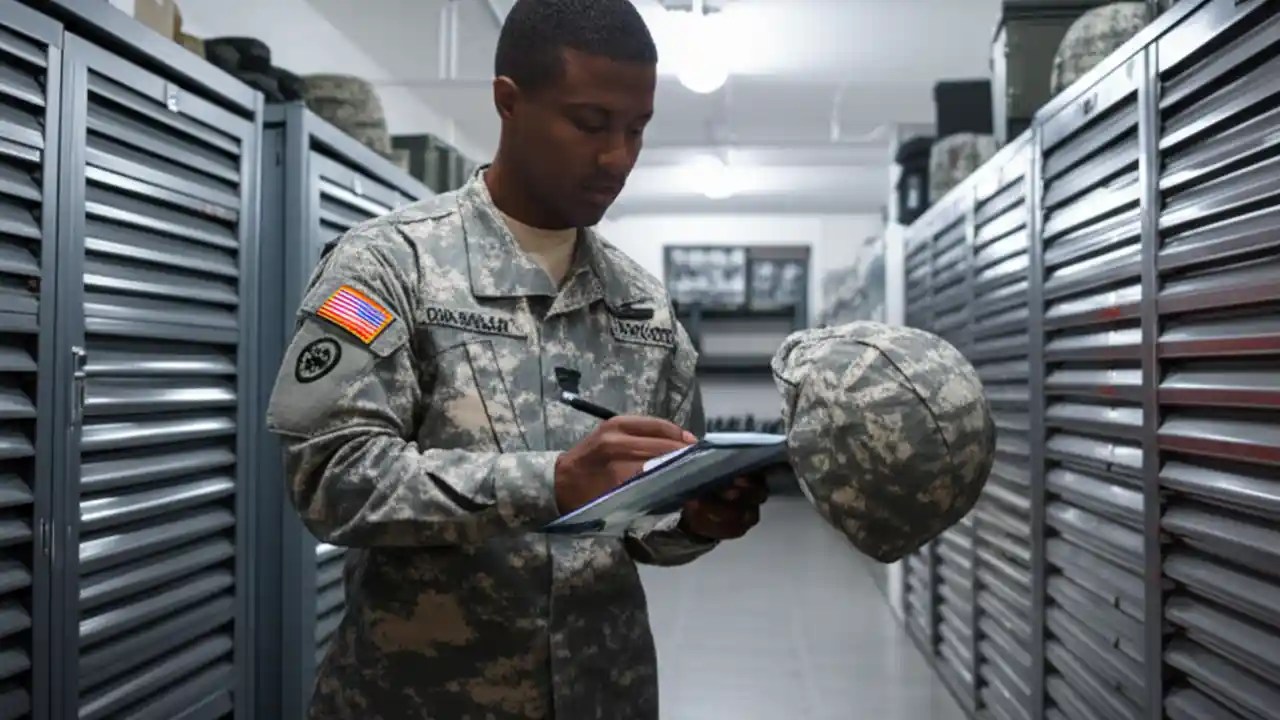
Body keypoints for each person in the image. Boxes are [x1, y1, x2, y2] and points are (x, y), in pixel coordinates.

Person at [265, 0, 769, 718]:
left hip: (605, 692)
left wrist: (696, 520)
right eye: (590, 123)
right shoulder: (389, 266)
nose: (617, 157)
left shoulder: (643, 309)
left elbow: (647, 528)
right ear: (509, 102)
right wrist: (554, 482)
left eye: (636, 130)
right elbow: (332, 477)